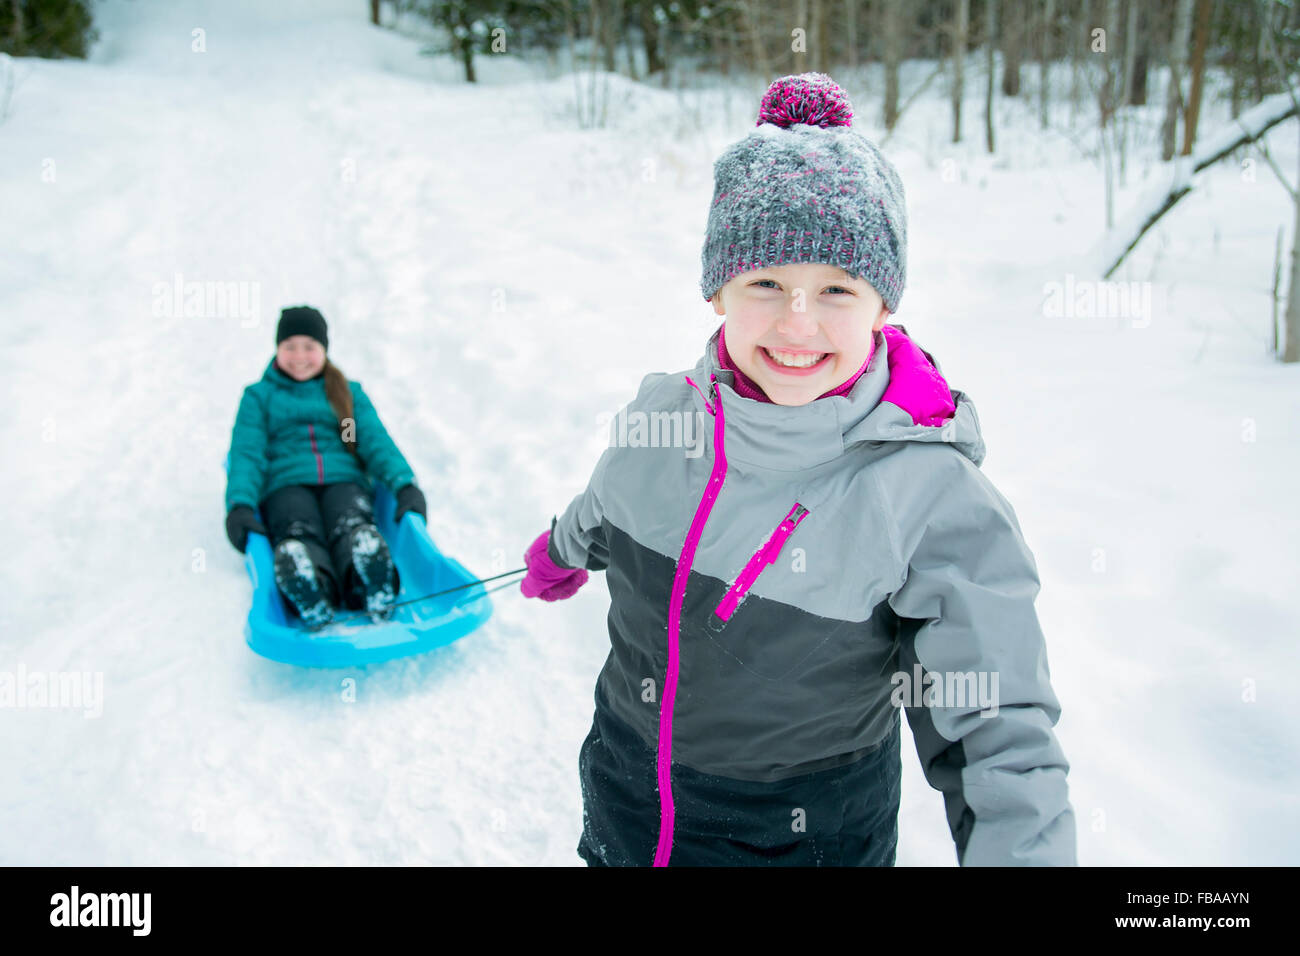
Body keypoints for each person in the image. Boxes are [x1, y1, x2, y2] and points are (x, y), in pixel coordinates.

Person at [519, 74, 1076, 866]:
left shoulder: (927, 492)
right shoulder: (662, 416)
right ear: (719, 291)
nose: (797, 321)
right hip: (627, 792)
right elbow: (607, 505)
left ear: (883, 307)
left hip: (810, 829)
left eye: (837, 288)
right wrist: (558, 553)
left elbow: (996, 723)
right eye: (767, 282)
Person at [223, 306, 428, 627]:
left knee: (350, 524)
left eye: (309, 347)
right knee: (298, 530)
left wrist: (404, 484)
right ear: (277, 349)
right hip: (285, 482)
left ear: (324, 350)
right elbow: (248, 453)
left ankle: (370, 583)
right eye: (290, 347)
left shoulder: (344, 393)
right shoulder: (260, 397)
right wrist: (240, 504)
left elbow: (373, 441)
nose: (299, 356)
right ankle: (312, 589)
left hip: (343, 478)